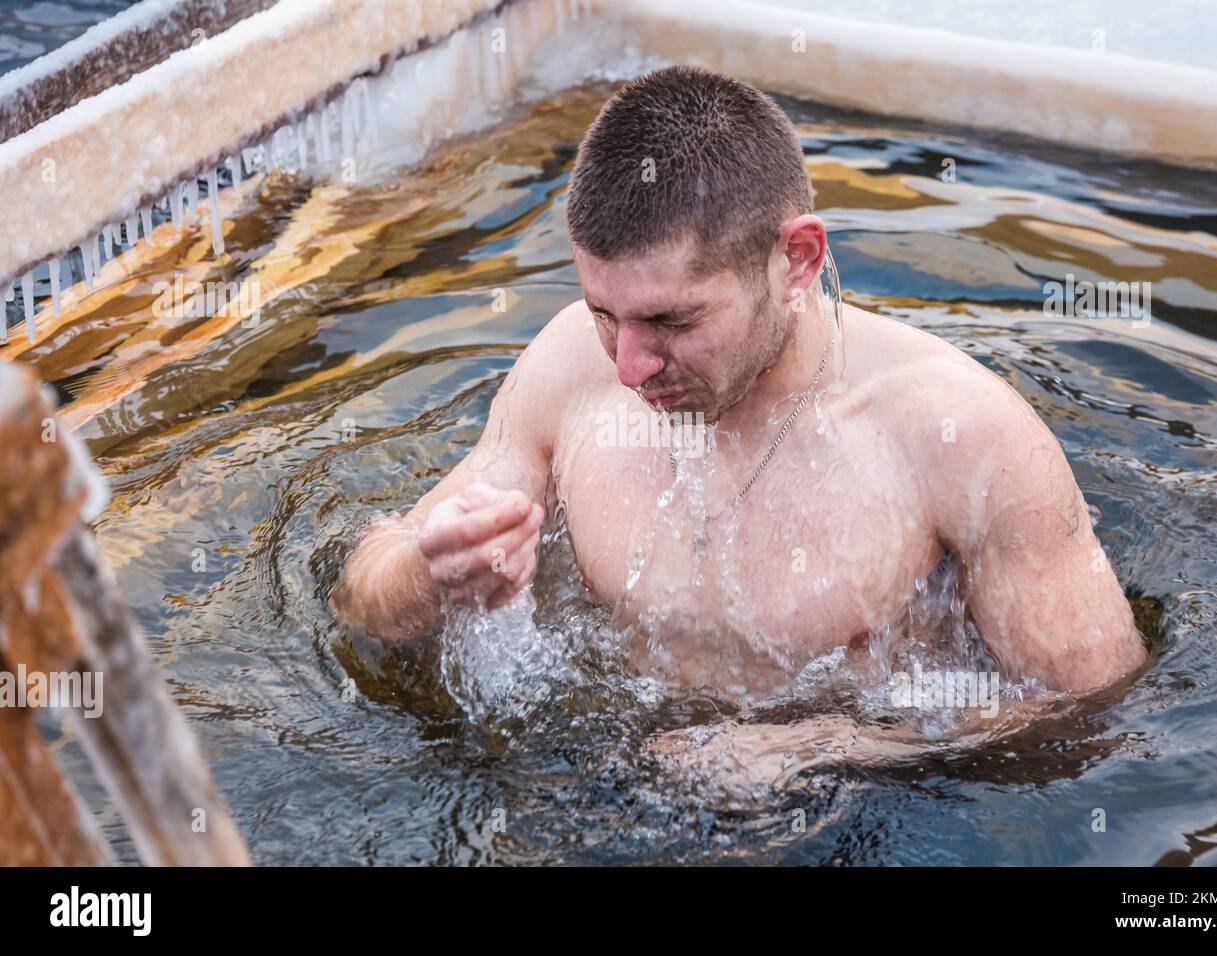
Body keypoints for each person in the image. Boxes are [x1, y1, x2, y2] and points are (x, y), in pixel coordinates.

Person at [330, 65, 1148, 749]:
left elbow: (1096, 710)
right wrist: (430, 572)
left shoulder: (963, 435)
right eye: (604, 313)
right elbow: (363, 594)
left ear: (797, 260)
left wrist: (829, 747)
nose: (627, 367)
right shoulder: (566, 365)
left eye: (674, 321)